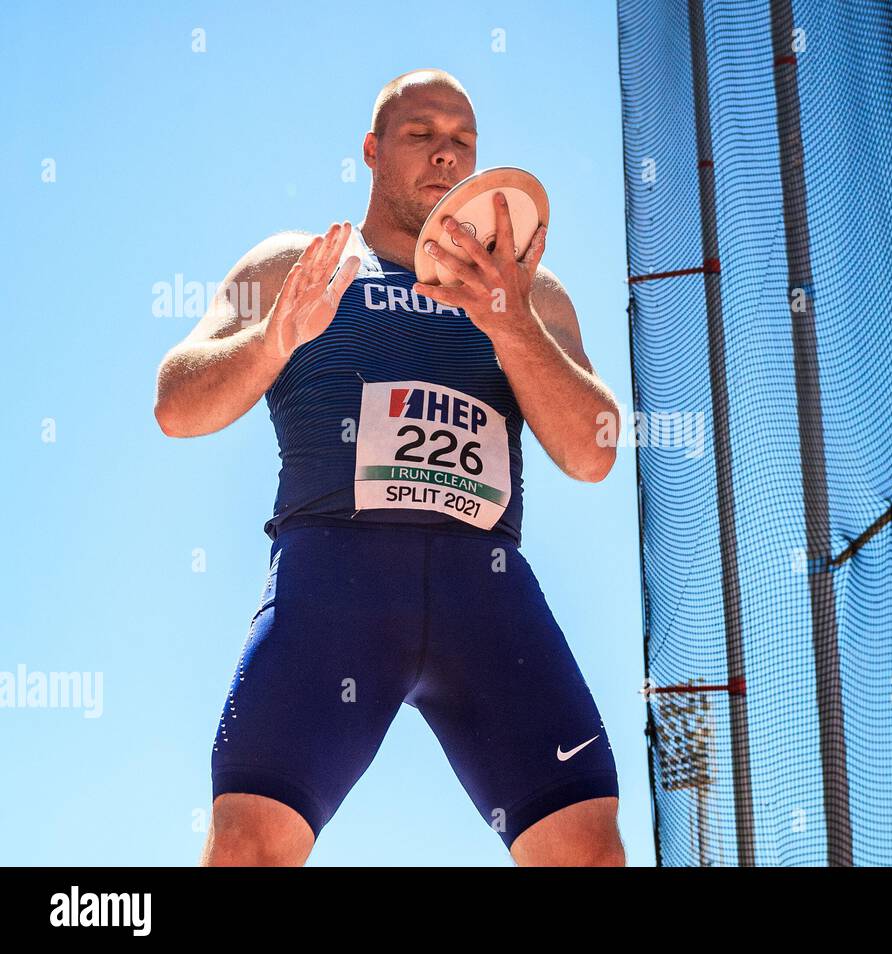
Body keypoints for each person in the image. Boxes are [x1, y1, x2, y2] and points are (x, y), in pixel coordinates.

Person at [153, 69, 624, 866]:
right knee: (245, 848)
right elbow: (175, 405)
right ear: (371, 152)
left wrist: (510, 328)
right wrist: (276, 339)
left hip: (488, 592)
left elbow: (594, 452)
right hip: (333, 585)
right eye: (421, 135)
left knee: (588, 851)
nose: (445, 155)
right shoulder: (297, 264)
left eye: (462, 141)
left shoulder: (531, 293)